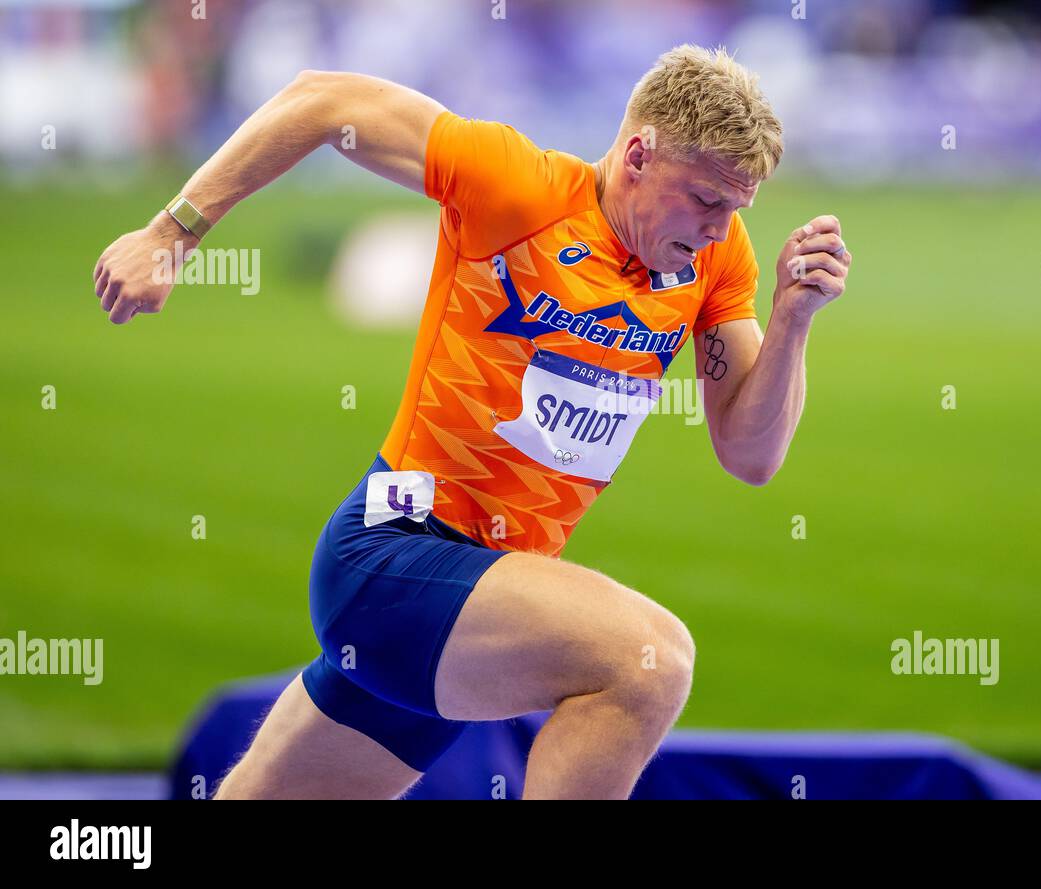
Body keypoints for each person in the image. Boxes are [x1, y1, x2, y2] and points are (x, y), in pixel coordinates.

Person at [93, 44, 852, 799]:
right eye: (706, 200)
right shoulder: (517, 185)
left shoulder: (714, 261)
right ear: (638, 154)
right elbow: (323, 99)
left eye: (737, 207)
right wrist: (172, 233)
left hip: (468, 613)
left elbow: (751, 455)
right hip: (394, 552)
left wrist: (792, 321)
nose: (720, 228)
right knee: (649, 662)